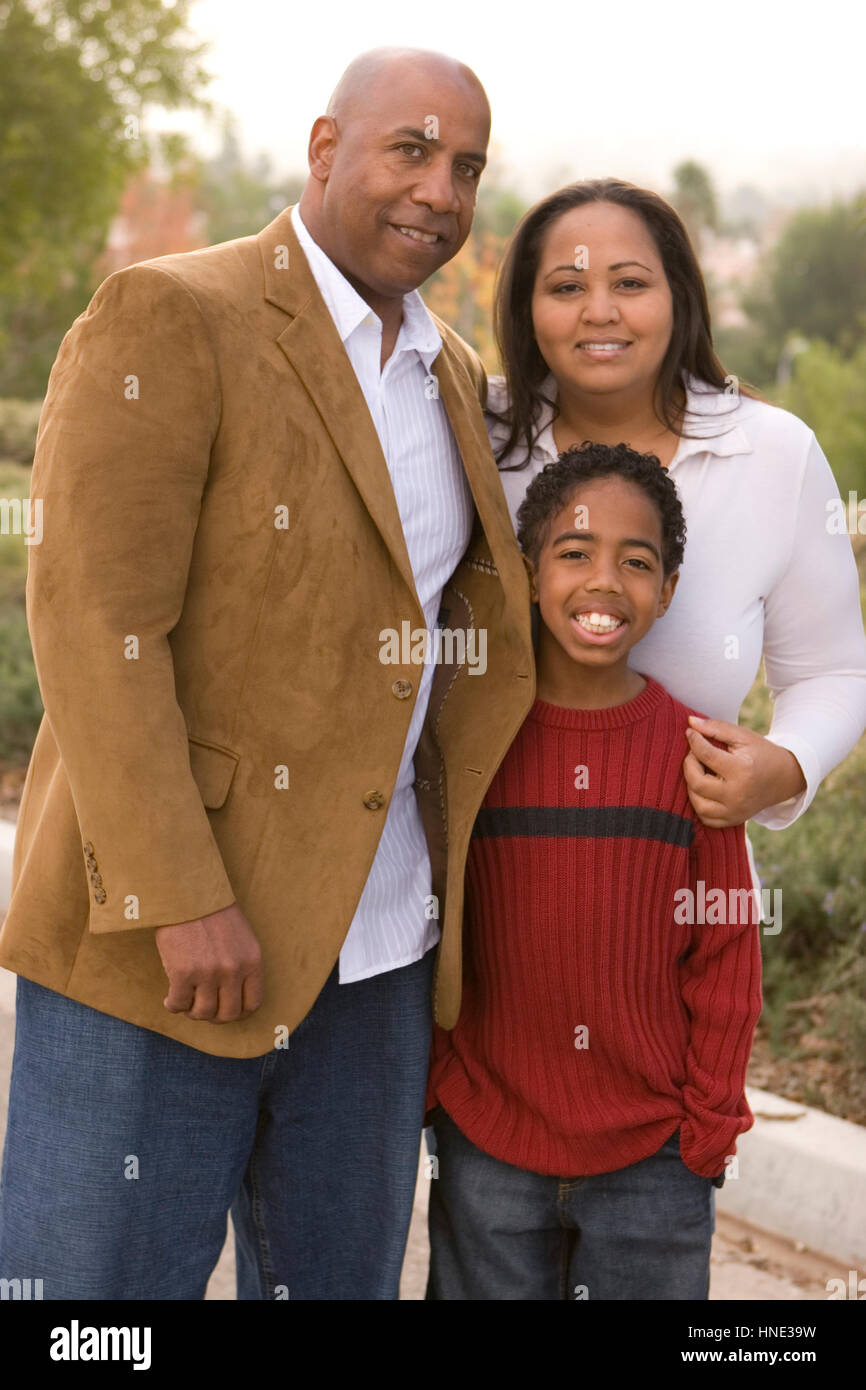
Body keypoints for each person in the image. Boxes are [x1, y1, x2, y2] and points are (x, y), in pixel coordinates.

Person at [0, 47, 536, 1300]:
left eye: (464, 167)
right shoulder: (173, 312)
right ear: (321, 148)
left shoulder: (448, 374)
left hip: (378, 953)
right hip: (170, 944)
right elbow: (95, 621)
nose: (438, 192)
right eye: (408, 149)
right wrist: (179, 893)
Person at [425, 441, 763, 1300]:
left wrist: (708, 1124)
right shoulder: (477, 742)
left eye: (636, 562)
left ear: (668, 591)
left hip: (653, 1161)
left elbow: (727, 956)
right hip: (489, 1149)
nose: (604, 581)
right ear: (531, 573)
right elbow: (431, 912)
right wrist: (441, 1087)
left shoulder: (697, 759)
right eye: (574, 553)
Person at [485, 179, 866, 851]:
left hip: (685, 884)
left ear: (679, 298)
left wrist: (783, 765)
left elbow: (833, 672)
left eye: (630, 284)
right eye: (567, 288)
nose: (599, 311)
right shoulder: (475, 439)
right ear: (527, 307)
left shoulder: (774, 454)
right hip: (486, 888)